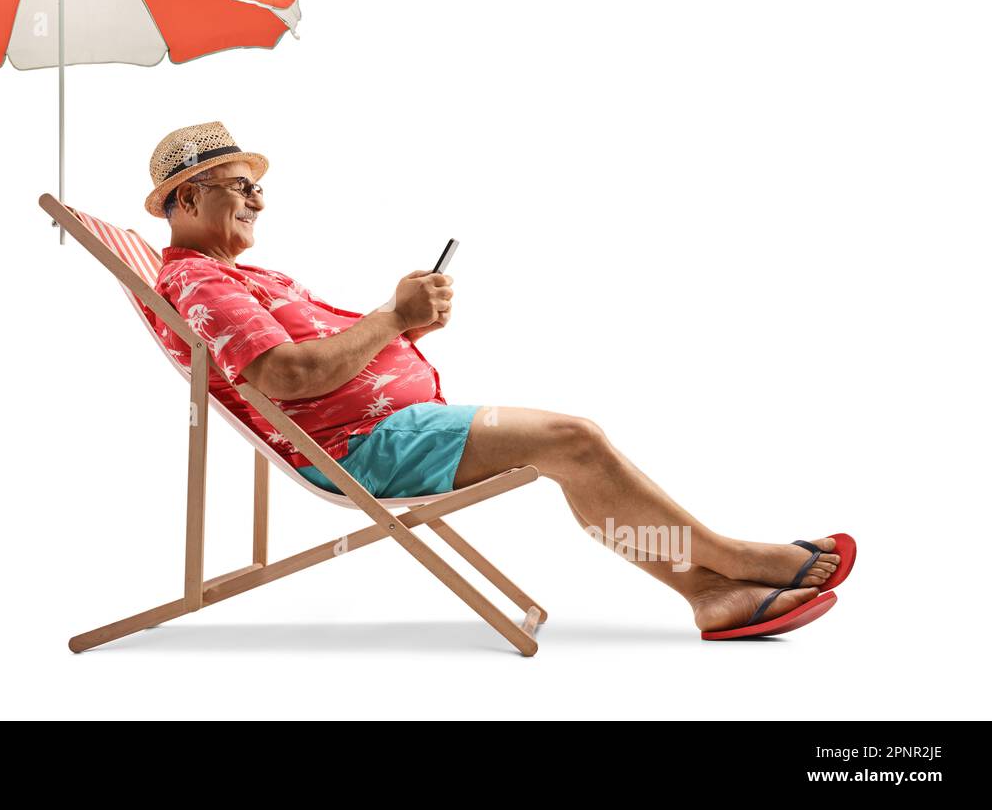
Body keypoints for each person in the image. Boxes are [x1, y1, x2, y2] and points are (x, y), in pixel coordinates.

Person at [141, 121, 850, 639]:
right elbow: (287, 377)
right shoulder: (198, 281)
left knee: (572, 452)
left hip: (383, 430)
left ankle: (704, 591)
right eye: (241, 187)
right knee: (574, 439)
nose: (258, 200)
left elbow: (321, 355)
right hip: (362, 447)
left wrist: (404, 324)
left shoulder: (239, 275)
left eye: (258, 187)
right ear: (185, 200)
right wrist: (393, 320)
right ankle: (727, 557)